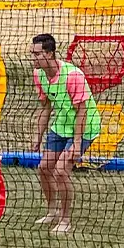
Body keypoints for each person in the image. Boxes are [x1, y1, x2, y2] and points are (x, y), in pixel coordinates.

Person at [30, 32, 101, 235]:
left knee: (61, 171)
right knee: (44, 168)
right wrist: (38, 136)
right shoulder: (39, 75)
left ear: (50, 54)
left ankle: (65, 220)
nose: (32, 58)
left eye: (36, 54)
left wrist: (77, 143)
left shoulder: (73, 75)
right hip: (61, 125)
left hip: (85, 126)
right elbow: (46, 108)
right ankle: (51, 211)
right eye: (31, 54)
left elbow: (82, 111)